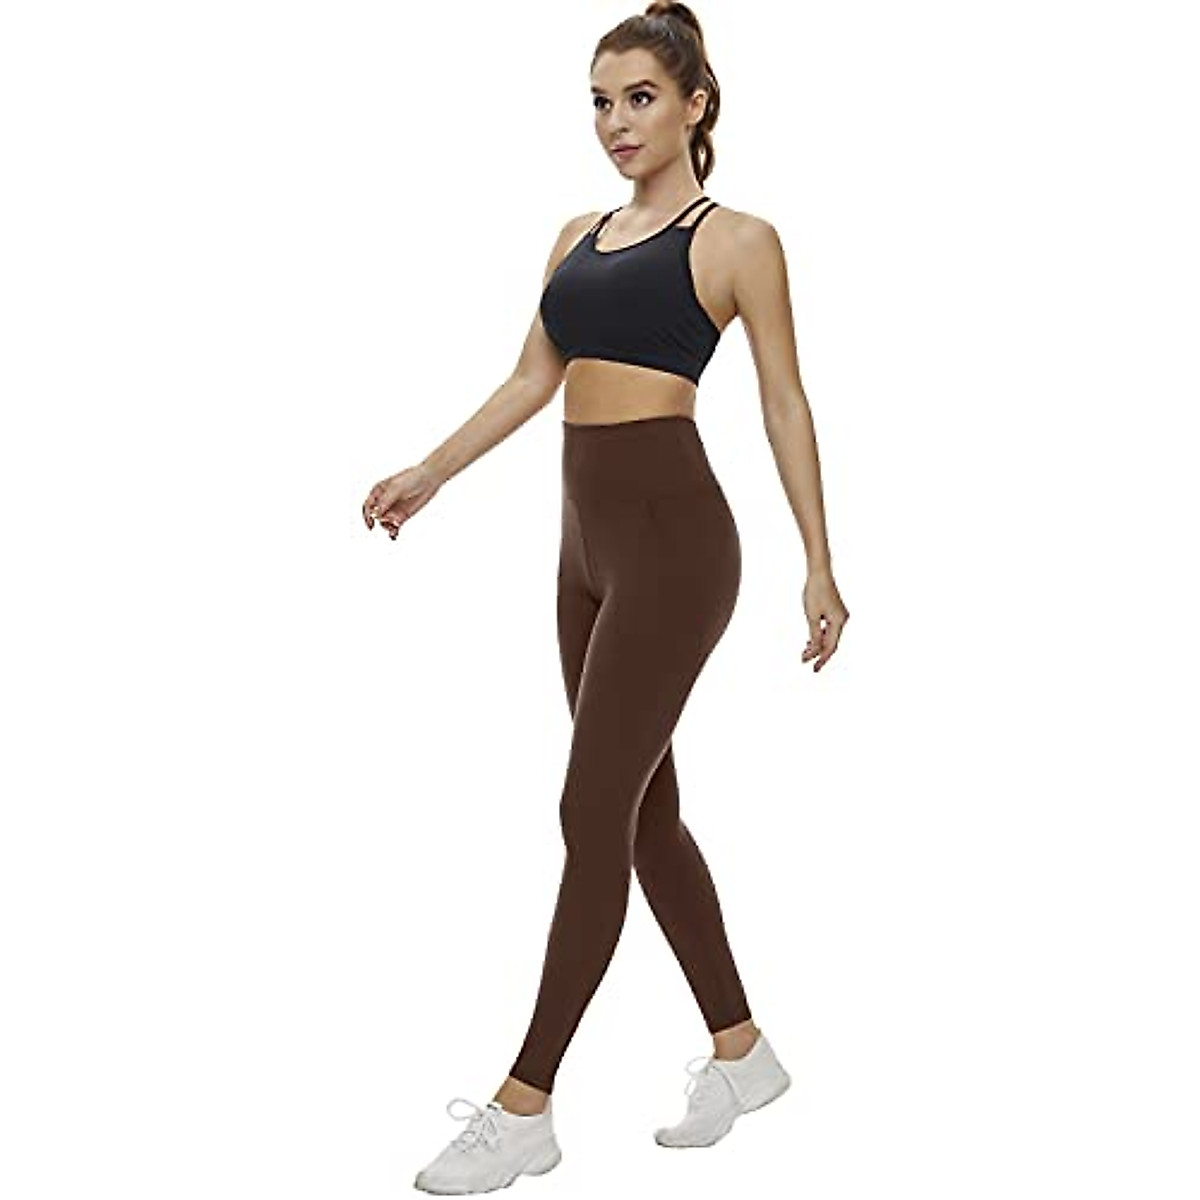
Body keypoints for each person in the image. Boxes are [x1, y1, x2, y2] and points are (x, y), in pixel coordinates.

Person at [361, 4, 849, 1193]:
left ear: (695, 104)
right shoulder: (574, 237)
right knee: (641, 813)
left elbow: (784, 401)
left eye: (640, 97)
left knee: (590, 809)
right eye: (599, 100)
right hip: (584, 548)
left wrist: (819, 561)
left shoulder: (737, 239)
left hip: (678, 547)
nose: (616, 122)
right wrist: (431, 470)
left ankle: (524, 1105)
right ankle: (742, 1051)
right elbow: (534, 376)